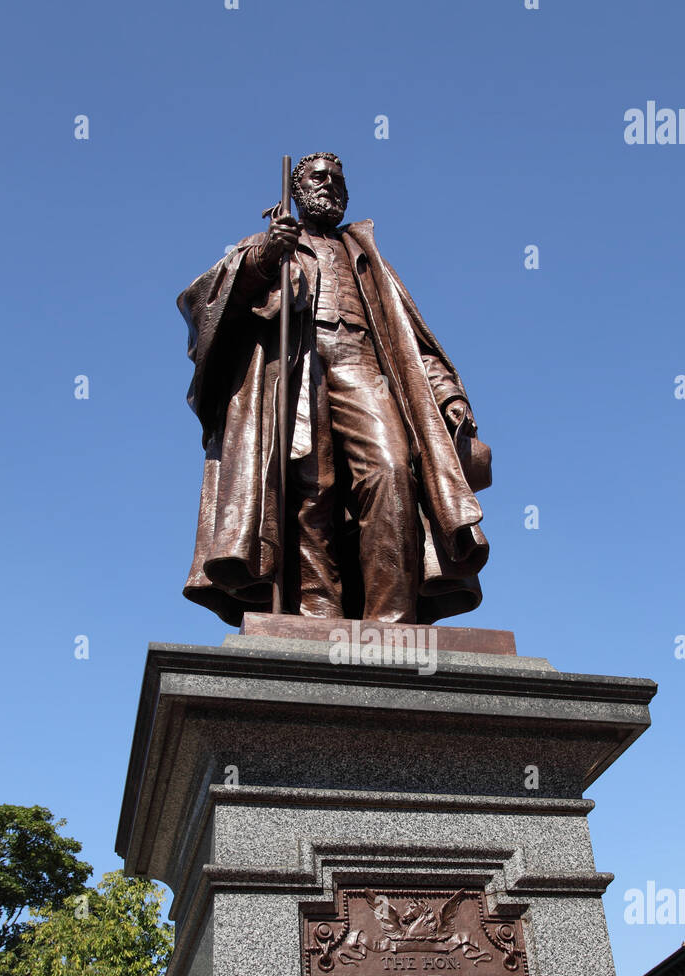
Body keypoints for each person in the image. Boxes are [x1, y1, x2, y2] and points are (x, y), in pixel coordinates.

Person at [178, 152, 491, 626]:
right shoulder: (270, 244)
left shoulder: (364, 255)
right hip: (296, 365)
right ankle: (318, 616)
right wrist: (264, 258)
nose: (330, 185)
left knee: (391, 468)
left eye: (338, 180)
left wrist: (448, 395)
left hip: (364, 364)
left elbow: (413, 341)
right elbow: (202, 304)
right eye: (318, 177)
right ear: (298, 189)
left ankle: (392, 622)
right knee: (310, 489)